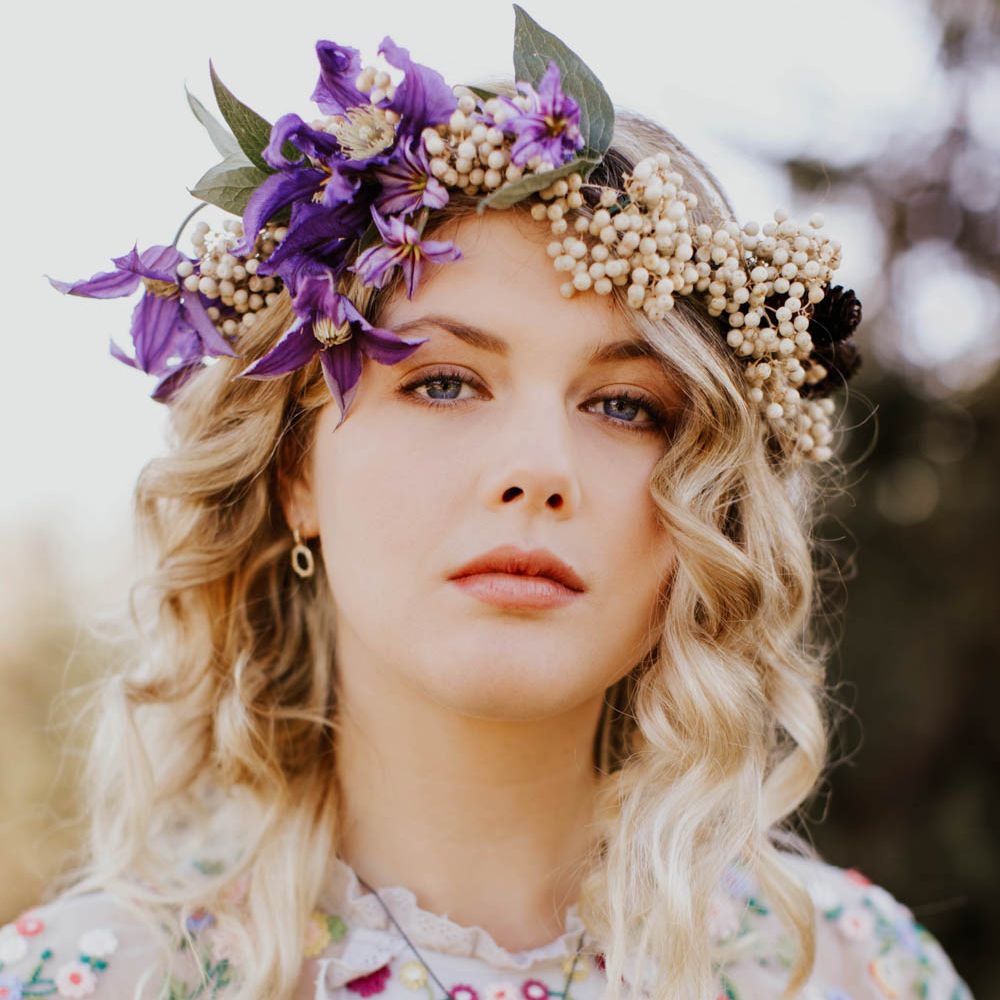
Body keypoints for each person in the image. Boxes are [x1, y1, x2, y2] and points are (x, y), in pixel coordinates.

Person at [6, 11, 973, 1000]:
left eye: (623, 405)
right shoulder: (79, 979)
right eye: (443, 382)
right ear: (297, 475)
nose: (539, 470)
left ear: (704, 504)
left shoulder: (856, 972)